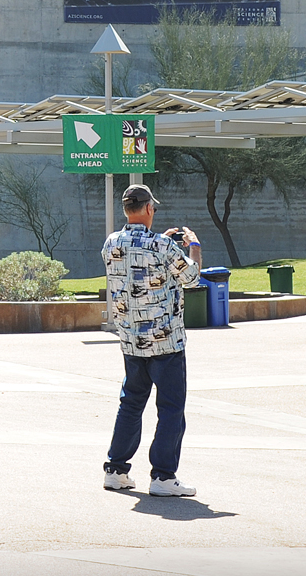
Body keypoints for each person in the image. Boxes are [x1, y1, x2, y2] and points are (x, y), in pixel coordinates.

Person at [101, 184, 204, 498]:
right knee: (171, 408)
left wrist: (164, 245)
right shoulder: (163, 246)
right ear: (148, 209)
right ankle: (163, 476)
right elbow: (193, 277)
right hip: (166, 341)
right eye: (153, 209)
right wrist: (193, 246)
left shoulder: (111, 243)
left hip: (131, 339)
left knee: (130, 403)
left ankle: (116, 469)